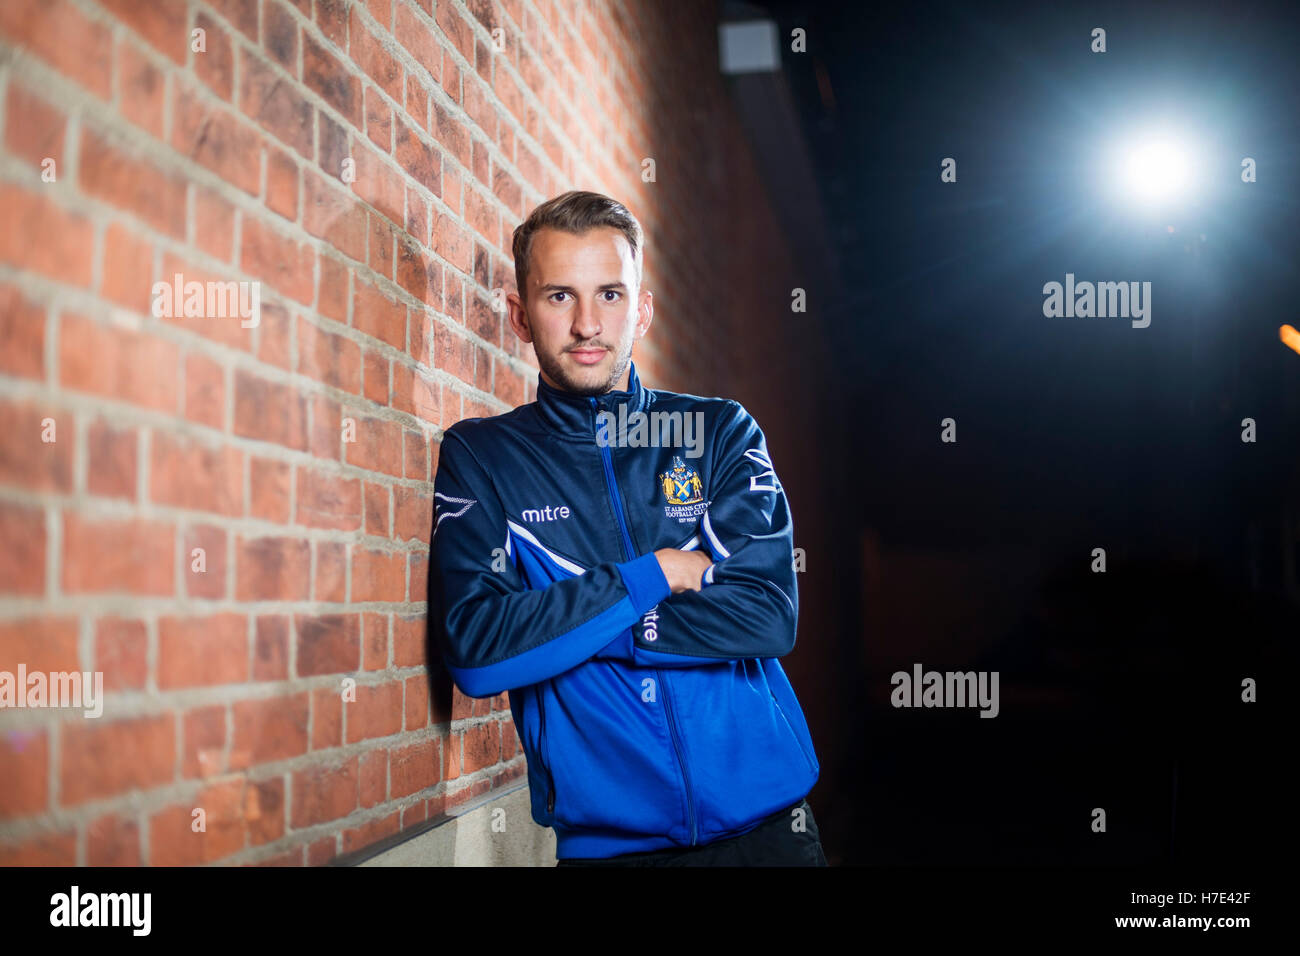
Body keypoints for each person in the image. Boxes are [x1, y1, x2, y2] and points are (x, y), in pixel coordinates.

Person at [427, 190, 826, 866]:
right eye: (560, 297)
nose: (588, 324)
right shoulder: (482, 458)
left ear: (640, 310)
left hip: (773, 836)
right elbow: (479, 652)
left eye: (610, 295)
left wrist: (571, 629)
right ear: (521, 316)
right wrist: (659, 574)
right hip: (614, 853)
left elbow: (764, 617)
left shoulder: (718, 433)